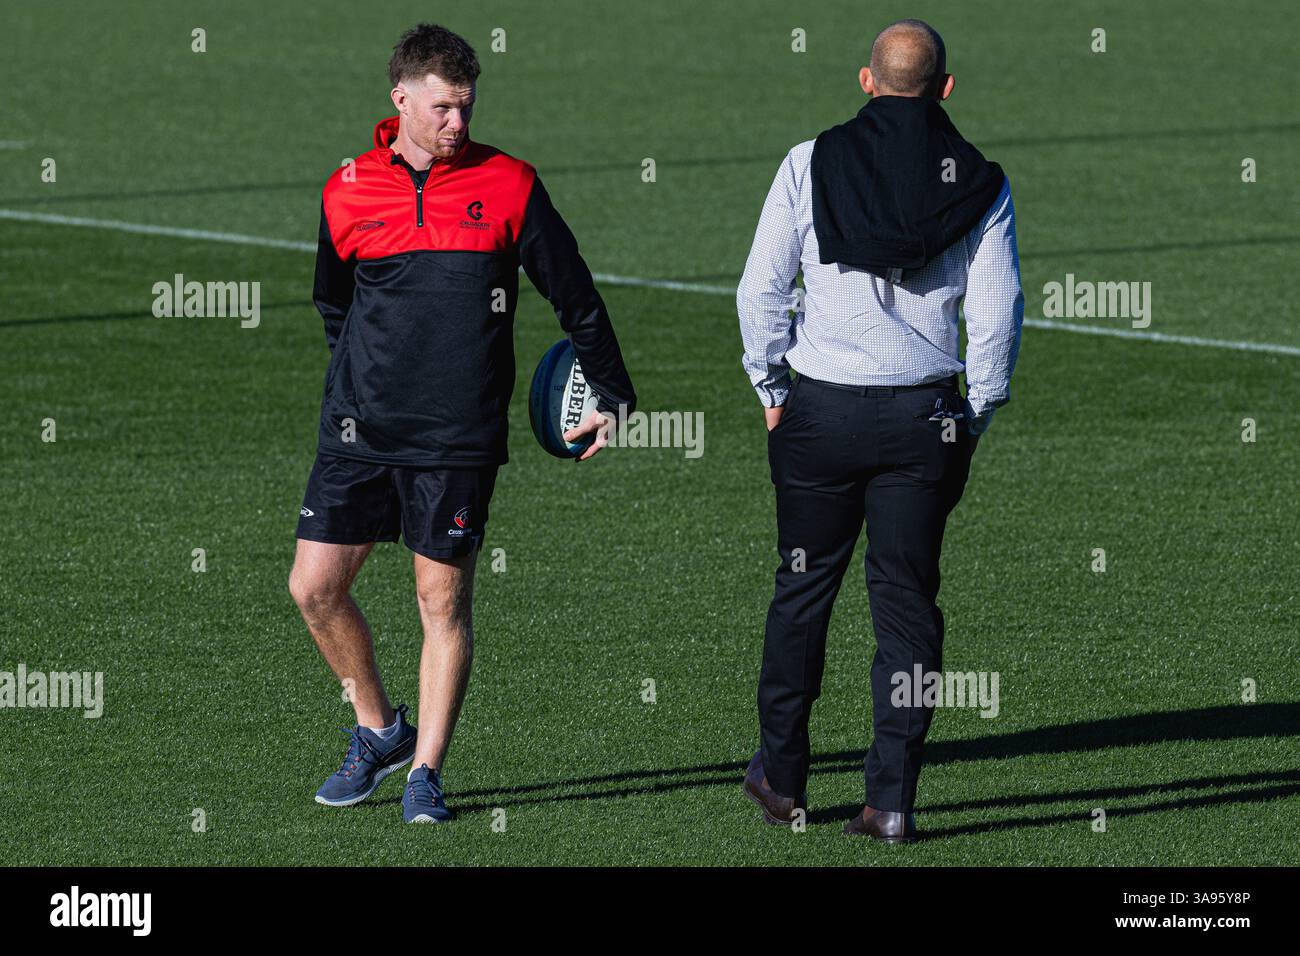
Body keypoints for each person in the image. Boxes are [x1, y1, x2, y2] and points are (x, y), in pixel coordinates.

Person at [290, 23, 635, 824]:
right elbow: (332, 301)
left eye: (467, 108)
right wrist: (360, 380)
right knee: (314, 588)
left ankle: (426, 775)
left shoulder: (511, 184)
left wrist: (613, 393)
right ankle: (379, 731)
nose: (457, 124)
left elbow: (575, 294)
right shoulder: (346, 189)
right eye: (442, 108)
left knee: (439, 602)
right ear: (400, 99)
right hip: (357, 430)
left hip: (456, 438)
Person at [736, 18, 1022, 842]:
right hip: (921, 421)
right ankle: (891, 801)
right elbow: (996, 316)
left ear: (868, 81)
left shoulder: (810, 160)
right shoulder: (980, 180)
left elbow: (761, 290)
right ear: (946, 87)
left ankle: (782, 782)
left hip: (817, 412)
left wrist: (770, 385)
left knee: (801, 593)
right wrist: (976, 410)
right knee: (907, 611)